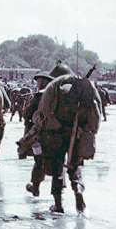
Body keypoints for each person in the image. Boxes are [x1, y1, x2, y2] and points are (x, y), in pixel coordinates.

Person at [26, 63, 102, 214]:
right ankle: (78, 192)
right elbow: (96, 113)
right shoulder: (82, 90)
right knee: (75, 167)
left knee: (56, 169)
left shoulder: (51, 90)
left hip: (54, 135)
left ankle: (58, 205)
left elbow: (38, 114)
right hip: (77, 134)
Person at [20, 72, 52, 194]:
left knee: (38, 160)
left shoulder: (39, 95)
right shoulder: (57, 95)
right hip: (57, 136)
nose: (37, 83)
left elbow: (27, 114)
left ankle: (36, 188)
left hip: (39, 138)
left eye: (38, 81)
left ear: (43, 82)